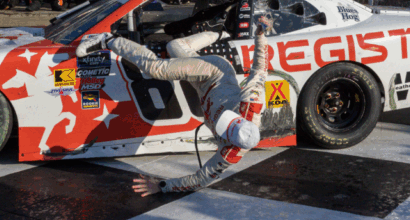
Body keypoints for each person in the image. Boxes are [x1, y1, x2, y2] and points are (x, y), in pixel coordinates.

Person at [76, 19, 270, 195]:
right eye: (230, 120)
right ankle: (107, 40)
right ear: (241, 117)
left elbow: (200, 179)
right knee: (157, 69)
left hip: (203, 89)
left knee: (174, 47)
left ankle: (219, 32)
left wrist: (162, 186)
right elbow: (260, 68)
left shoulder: (230, 154)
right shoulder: (251, 103)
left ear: (230, 142)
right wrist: (260, 36)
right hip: (215, 72)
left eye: (224, 127)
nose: (223, 121)